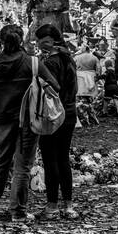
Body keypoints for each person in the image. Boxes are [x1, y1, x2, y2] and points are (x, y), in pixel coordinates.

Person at [0, 25, 60, 221]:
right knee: (22, 166)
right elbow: (55, 86)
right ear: (22, 40)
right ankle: (17, 210)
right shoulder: (32, 63)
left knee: (0, 162)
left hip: (0, 119)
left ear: (1, 41)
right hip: (28, 120)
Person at [34, 24, 79, 220]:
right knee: (63, 158)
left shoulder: (51, 63)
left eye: (41, 41)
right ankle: (68, 205)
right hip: (70, 112)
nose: (38, 44)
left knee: (50, 158)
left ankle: (51, 206)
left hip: (53, 114)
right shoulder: (69, 59)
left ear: (50, 41)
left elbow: (51, 89)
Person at [74, 39, 100, 125]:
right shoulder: (94, 57)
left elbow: (73, 69)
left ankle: (84, 118)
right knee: (89, 99)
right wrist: (97, 77)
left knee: (80, 99)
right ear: (89, 49)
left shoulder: (76, 58)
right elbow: (98, 70)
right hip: (91, 78)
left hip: (80, 78)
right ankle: (91, 117)